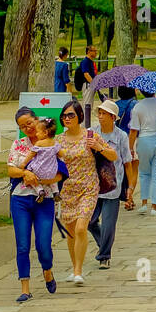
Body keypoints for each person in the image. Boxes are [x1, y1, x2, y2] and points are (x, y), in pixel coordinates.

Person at [7, 107, 61, 302]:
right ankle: (25, 287)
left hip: (44, 199)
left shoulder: (50, 143)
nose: (27, 128)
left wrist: (41, 179)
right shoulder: (18, 145)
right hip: (20, 198)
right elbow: (11, 170)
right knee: (22, 244)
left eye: (29, 123)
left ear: (36, 120)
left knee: (43, 243)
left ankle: (47, 269)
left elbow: (61, 172)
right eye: (22, 126)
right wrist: (25, 174)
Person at [56, 99, 104, 285]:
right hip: (67, 189)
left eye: (71, 115)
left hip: (88, 187)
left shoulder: (90, 136)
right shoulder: (58, 140)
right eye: (64, 115)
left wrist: (99, 148)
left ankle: (78, 271)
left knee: (81, 228)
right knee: (70, 231)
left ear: (80, 117)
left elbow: (113, 154)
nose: (67, 118)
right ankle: (74, 267)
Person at [88, 99, 135, 271]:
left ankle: (104, 256)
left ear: (113, 117)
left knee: (108, 223)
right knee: (90, 221)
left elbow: (127, 163)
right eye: (99, 113)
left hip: (113, 185)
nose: (100, 117)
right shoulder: (92, 133)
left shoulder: (121, 136)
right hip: (93, 185)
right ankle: (104, 244)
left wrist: (130, 188)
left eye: (103, 114)